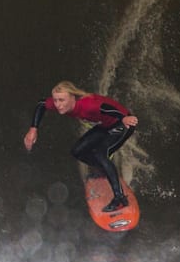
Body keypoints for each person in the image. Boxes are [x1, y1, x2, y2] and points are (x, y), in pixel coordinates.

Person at [22, 80, 139, 212]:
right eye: (56, 100)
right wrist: (33, 129)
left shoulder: (87, 104)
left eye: (61, 100)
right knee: (77, 151)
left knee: (100, 153)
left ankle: (120, 199)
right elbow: (42, 104)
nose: (58, 105)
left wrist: (123, 118)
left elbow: (105, 107)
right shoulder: (60, 104)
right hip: (106, 125)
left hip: (122, 123)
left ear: (73, 97)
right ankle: (105, 169)